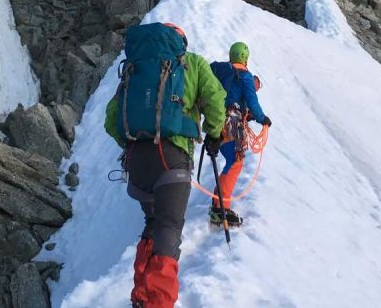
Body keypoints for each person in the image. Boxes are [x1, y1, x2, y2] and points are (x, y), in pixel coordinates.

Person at [105, 22, 226, 308]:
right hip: (172, 156)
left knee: (153, 223)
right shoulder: (192, 63)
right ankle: (158, 301)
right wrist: (214, 133)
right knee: (169, 228)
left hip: (137, 160)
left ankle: (141, 296)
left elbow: (111, 119)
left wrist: (132, 144)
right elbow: (215, 99)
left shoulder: (134, 68)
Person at [209, 41, 272, 227]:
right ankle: (221, 209)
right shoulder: (245, 76)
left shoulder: (221, 72)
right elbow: (252, 101)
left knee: (231, 160)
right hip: (233, 124)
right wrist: (262, 118)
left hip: (217, 122)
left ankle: (218, 202)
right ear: (245, 58)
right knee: (235, 162)